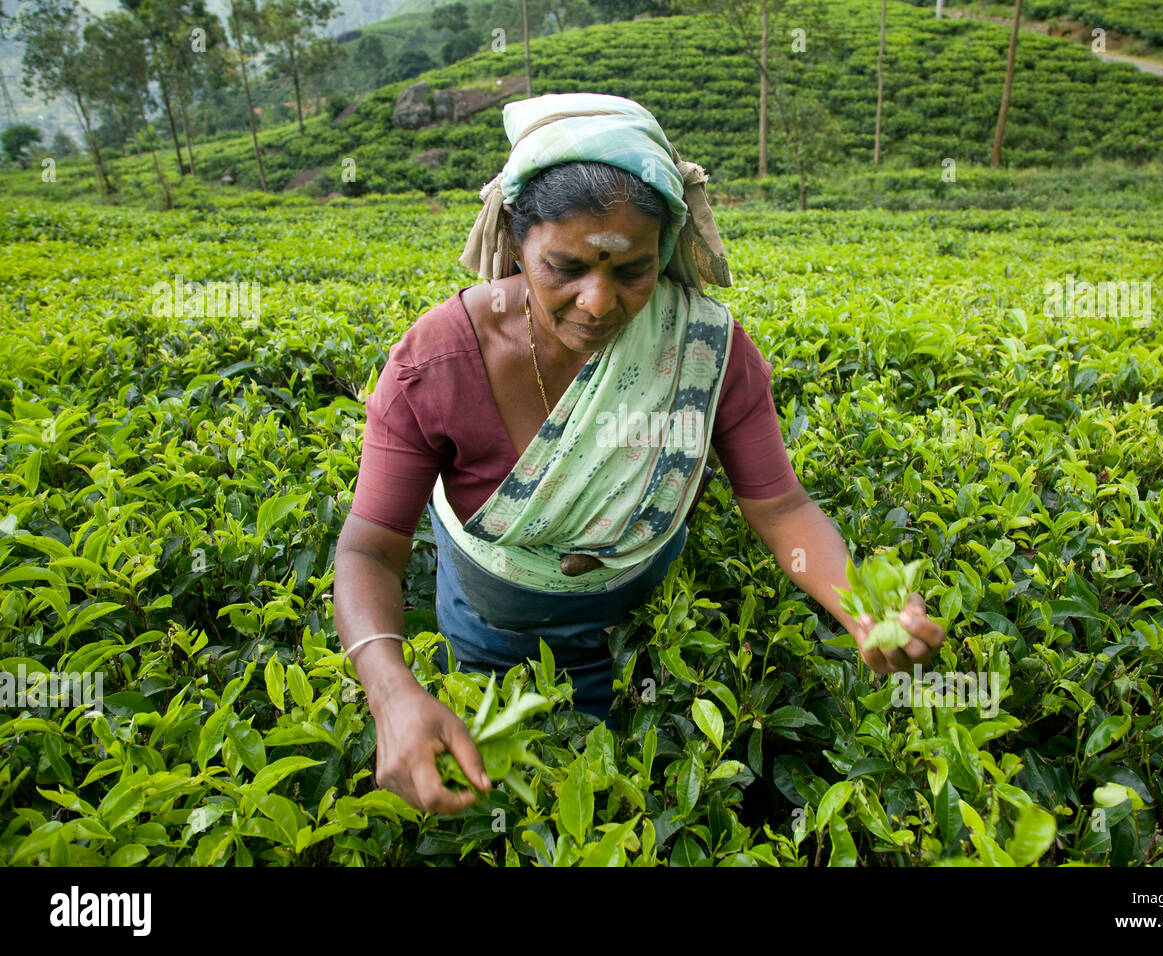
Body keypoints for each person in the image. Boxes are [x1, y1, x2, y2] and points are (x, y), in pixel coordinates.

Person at [332, 92, 946, 815]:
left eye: (632, 272)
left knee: (622, 790)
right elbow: (370, 549)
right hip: (489, 626)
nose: (598, 303)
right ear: (517, 243)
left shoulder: (704, 350)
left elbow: (780, 505)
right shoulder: (437, 360)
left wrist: (858, 603)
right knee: (501, 798)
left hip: (637, 626)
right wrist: (391, 689)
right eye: (564, 267)